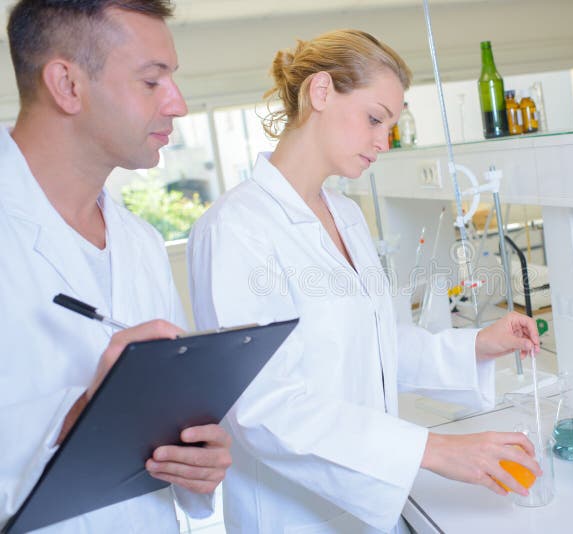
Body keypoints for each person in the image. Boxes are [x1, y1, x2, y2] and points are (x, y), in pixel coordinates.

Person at [188, 29, 542, 533]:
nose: (384, 141)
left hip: (373, 503)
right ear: (321, 92)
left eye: (390, 125)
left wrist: (478, 346)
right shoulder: (235, 229)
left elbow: (377, 346)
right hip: (294, 516)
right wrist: (433, 449)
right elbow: (262, 408)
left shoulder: (347, 215)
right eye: (375, 118)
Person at [0, 1, 232, 531]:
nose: (178, 104)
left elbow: (166, 437)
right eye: (153, 82)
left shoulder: (142, 243)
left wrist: (195, 460)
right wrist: (82, 412)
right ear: (67, 84)